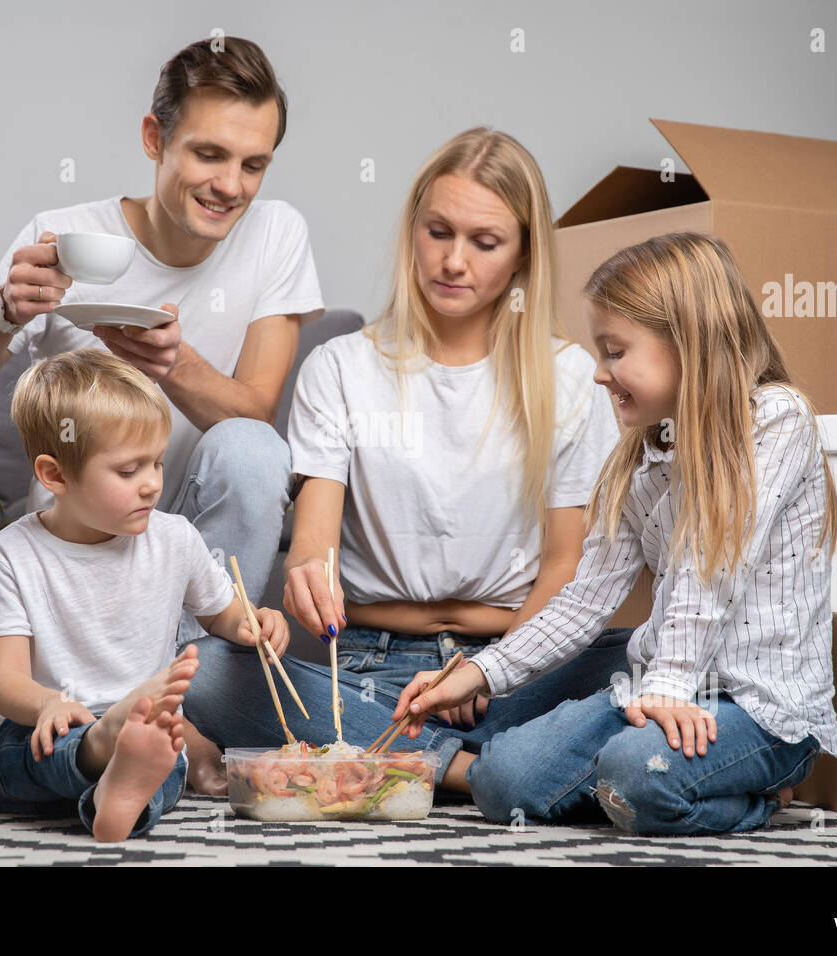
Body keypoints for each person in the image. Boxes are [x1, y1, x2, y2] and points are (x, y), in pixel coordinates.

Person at [0, 36, 322, 791]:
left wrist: (169, 363)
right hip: (71, 556)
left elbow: (253, 414)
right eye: (209, 155)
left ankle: (156, 699)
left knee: (252, 449)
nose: (231, 185)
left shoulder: (277, 234)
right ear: (154, 138)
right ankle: (142, 726)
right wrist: (0, 315)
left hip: (183, 561)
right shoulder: (65, 235)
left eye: (254, 163)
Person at [184, 127, 630, 786]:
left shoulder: (569, 376)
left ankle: (424, 765)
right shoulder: (341, 367)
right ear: (412, 231)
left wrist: (495, 668)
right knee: (205, 673)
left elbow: (568, 564)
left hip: (524, 664)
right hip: (374, 676)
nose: (454, 262)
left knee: (647, 661)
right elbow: (314, 540)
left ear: (522, 255)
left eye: (485, 242)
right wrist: (308, 571)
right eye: (438, 232)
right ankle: (485, 772)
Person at [393, 232, 837, 835]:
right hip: (658, 692)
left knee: (637, 772)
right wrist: (470, 674)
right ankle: (636, 788)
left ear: (687, 344)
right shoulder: (640, 456)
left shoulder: (777, 420)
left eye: (614, 352)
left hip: (761, 711)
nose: (600, 375)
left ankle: (763, 793)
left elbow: (708, 566)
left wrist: (666, 686)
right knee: (503, 782)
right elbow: (583, 603)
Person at [0, 349, 290, 841]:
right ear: (55, 475)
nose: (151, 486)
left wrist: (255, 622)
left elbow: (225, 615)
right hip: (54, 723)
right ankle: (100, 751)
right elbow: (5, 679)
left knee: (164, 760)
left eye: (157, 464)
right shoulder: (10, 554)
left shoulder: (174, 538)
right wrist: (47, 705)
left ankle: (116, 788)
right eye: (127, 471)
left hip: (147, 726)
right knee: (14, 755)